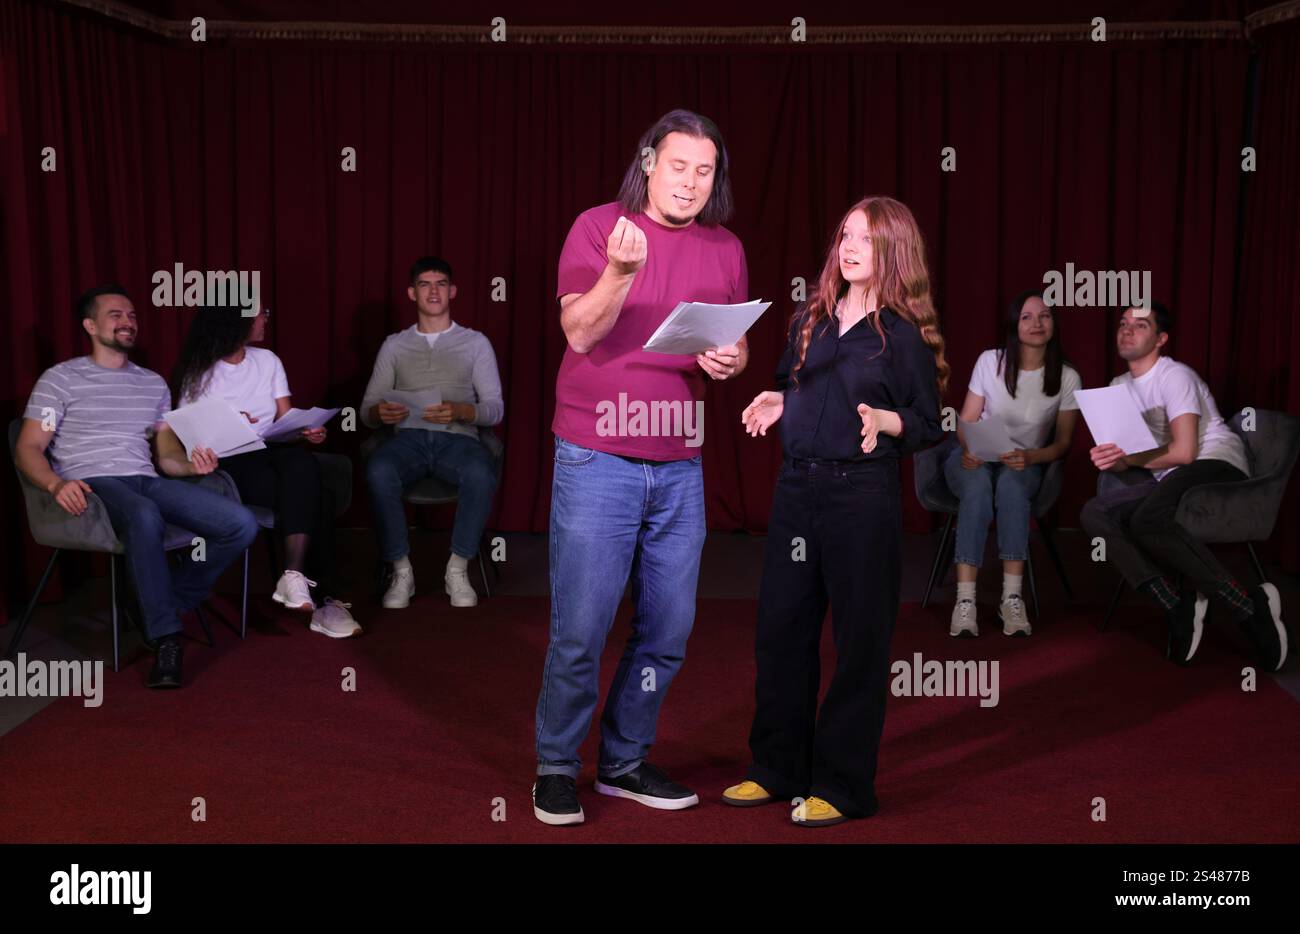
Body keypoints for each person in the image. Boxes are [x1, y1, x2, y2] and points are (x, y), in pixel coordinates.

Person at [532, 109, 749, 826]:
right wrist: (622, 273)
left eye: (705, 170)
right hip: (597, 457)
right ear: (649, 163)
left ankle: (623, 760)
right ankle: (558, 766)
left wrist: (730, 359)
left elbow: (729, 349)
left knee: (668, 628)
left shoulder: (726, 248)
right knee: (582, 626)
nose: (690, 182)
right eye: (678, 165)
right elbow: (580, 330)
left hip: (679, 463)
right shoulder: (599, 228)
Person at [723, 196, 946, 827]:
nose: (848, 248)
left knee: (859, 645)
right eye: (845, 235)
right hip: (797, 493)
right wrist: (775, 401)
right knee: (782, 636)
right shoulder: (810, 319)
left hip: (862, 498)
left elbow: (929, 423)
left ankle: (844, 785)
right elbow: (789, 387)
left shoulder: (901, 336)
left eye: (866, 240)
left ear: (893, 252)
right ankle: (775, 769)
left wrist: (885, 419)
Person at [15, 285, 259, 688]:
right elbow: (28, 447)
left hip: (145, 479)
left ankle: (160, 603)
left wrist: (193, 462)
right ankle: (166, 637)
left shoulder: (153, 384)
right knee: (144, 515)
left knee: (240, 523)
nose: (128, 322)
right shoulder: (60, 379)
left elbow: (165, 458)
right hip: (93, 483)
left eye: (131, 315)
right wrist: (56, 483)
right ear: (90, 325)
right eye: (116, 315)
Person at [1080, 303, 1286, 670]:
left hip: (1215, 465)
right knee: (1095, 512)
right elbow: (1129, 451)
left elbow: (1186, 452)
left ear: (1161, 339)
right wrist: (1112, 456)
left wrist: (1129, 462)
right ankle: (1175, 605)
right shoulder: (1116, 387)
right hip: (1167, 477)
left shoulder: (1175, 377)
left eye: (1140, 325)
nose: (1127, 330)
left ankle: (1245, 605)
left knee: (1147, 520)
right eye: (1123, 324)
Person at [172, 303, 360, 638]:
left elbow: (284, 420)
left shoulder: (268, 360)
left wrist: (305, 430)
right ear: (235, 318)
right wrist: (229, 425)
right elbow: (190, 436)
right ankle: (325, 600)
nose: (265, 319)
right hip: (226, 463)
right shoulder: (197, 370)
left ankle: (293, 575)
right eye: (260, 313)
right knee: (322, 498)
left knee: (302, 461)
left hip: (271, 452)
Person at [362, 256, 504, 610]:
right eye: (425, 284)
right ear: (412, 294)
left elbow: (495, 408)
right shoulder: (394, 345)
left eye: (440, 283)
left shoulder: (475, 343)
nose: (433, 290)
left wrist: (462, 411)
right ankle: (401, 569)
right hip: (407, 438)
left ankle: (457, 568)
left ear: (452, 291)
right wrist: (380, 412)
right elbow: (367, 411)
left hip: (458, 439)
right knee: (379, 469)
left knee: (480, 472)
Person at [945, 290, 1081, 637]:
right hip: (977, 455)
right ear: (1014, 325)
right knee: (976, 487)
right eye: (1027, 317)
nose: (1037, 323)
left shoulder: (1067, 377)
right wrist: (969, 446)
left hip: (1024, 462)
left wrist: (1032, 457)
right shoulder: (991, 361)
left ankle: (1011, 598)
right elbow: (966, 422)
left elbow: (1063, 442)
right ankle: (965, 602)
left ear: (1054, 324)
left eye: (1045, 316)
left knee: (1010, 486)